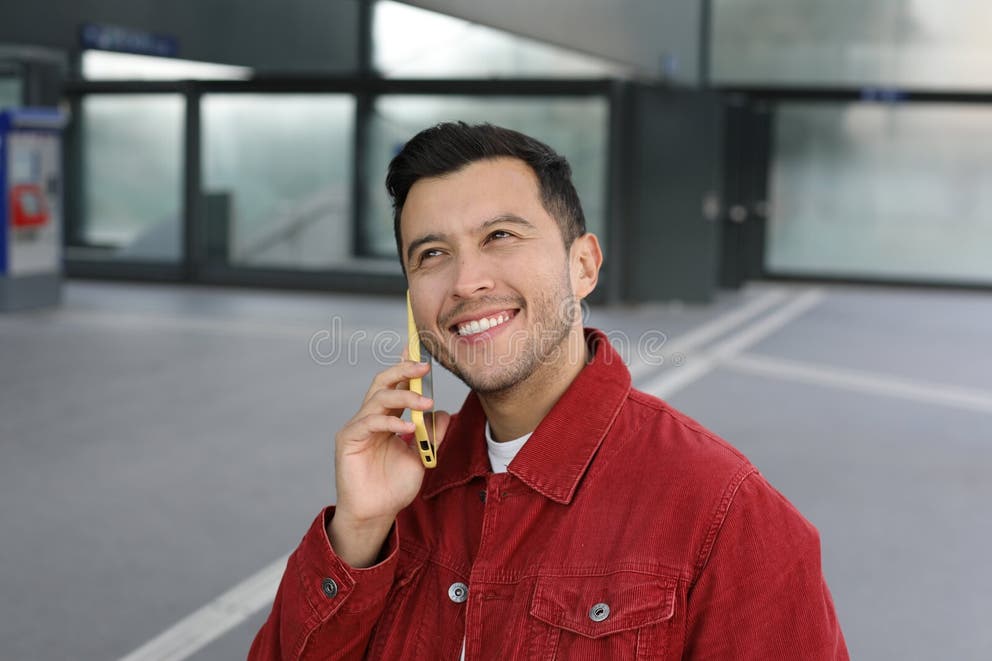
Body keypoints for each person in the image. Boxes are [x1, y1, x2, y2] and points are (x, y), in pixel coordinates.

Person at [249, 122, 848, 660]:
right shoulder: (403, 489)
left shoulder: (727, 514)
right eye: (432, 254)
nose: (467, 281)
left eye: (501, 236)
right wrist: (358, 532)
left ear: (583, 266)